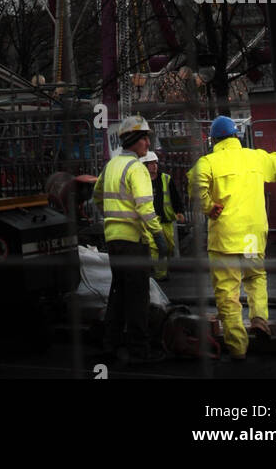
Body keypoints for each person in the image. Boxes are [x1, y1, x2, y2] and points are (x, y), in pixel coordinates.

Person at [189, 116, 276, 359]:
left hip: (225, 236)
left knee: (227, 292)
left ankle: (237, 347)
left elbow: (194, 184)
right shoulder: (255, 157)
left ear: (213, 140)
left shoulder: (208, 162)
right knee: (256, 277)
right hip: (251, 235)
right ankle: (259, 318)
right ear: (236, 135)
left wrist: (208, 206)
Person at [93, 115, 168, 365]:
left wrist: (112, 220)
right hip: (134, 243)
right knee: (138, 298)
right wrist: (158, 236)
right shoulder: (137, 169)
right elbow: (146, 209)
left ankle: (110, 346)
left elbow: (96, 196)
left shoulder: (111, 165)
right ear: (134, 139)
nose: (148, 142)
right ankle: (140, 352)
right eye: (145, 137)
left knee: (119, 295)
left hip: (114, 242)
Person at [140, 151, 185, 280]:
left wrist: (179, 211)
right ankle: (161, 274)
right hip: (149, 221)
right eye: (151, 163)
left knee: (168, 247)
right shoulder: (140, 180)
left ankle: (162, 268)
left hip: (165, 220)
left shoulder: (165, 179)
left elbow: (175, 196)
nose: (154, 166)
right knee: (154, 248)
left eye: (155, 163)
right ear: (144, 165)